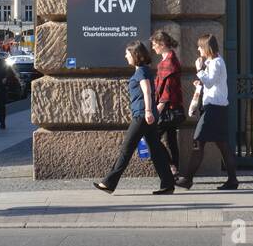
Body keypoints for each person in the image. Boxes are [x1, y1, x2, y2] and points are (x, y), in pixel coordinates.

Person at [93, 41, 177, 195]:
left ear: (135, 55)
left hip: (142, 116)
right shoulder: (142, 70)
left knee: (126, 148)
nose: (126, 56)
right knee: (156, 150)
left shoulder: (141, 72)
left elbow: (147, 91)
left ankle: (109, 183)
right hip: (146, 115)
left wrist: (147, 111)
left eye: (128, 53)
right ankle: (168, 184)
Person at [175, 35, 239, 191]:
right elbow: (211, 83)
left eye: (200, 46)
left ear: (206, 47)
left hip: (214, 109)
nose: (198, 49)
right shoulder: (213, 63)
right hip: (215, 108)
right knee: (221, 145)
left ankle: (188, 179)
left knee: (199, 140)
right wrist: (201, 81)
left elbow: (210, 81)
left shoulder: (217, 62)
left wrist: (199, 70)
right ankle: (232, 180)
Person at [152, 30, 184, 177]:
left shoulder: (169, 62)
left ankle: (172, 166)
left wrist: (160, 106)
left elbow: (168, 87)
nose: (153, 47)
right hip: (172, 107)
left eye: (154, 44)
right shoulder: (167, 60)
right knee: (171, 140)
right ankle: (175, 169)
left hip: (167, 108)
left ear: (162, 44)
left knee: (152, 137)